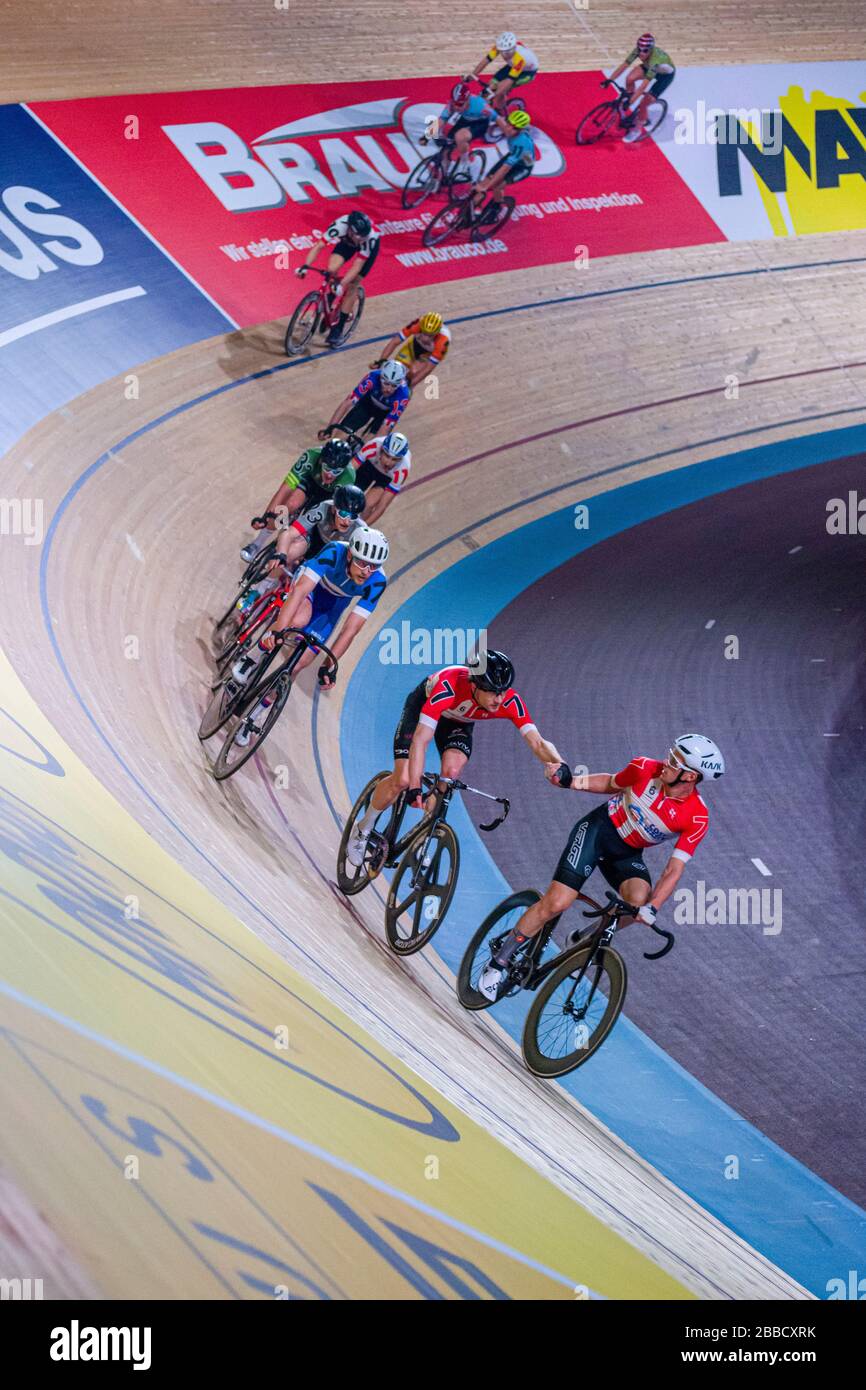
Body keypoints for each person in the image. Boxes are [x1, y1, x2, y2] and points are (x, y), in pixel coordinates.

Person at [477, 734, 724, 1000]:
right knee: (557, 903)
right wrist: (571, 781)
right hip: (596, 833)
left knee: (639, 901)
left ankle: (581, 939)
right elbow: (609, 782)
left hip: (626, 854)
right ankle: (496, 964)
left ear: (690, 777)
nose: (666, 762)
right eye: (670, 755)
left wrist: (653, 908)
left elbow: (674, 869)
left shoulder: (697, 817)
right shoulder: (644, 768)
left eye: (675, 762)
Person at [345, 650, 566, 867]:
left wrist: (560, 763)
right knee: (402, 779)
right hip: (423, 709)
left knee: (451, 773)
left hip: (458, 721)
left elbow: (538, 742)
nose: (499, 699)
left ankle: (425, 834)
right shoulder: (448, 687)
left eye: (503, 691)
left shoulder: (509, 701)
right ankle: (363, 826)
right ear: (474, 685)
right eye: (492, 691)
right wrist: (414, 786)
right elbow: (421, 741)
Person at [230, 527, 389, 744]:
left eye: (374, 566)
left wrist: (329, 665)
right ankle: (252, 657)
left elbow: (351, 629)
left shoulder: (377, 582)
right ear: (350, 554)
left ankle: (253, 718)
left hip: (331, 608)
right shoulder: (334, 551)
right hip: (310, 588)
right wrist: (278, 631)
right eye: (362, 563)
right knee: (297, 621)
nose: (366, 571)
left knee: (298, 665)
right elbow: (300, 592)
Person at [238, 483, 368, 611]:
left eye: (353, 516)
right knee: (289, 554)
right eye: (343, 514)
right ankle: (259, 590)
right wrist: (281, 554)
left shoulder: (360, 531)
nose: (347, 521)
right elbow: (289, 533)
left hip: (331, 554)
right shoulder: (323, 508)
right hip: (312, 539)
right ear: (334, 508)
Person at [240, 438, 356, 563]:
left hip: (328, 496)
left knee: (313, 524)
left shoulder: (348, 477)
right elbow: (285, 489)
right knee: (289, 505)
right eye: (327, 468)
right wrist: (266, 516)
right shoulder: (311, 456)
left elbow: (335, 513)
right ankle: (257, 544)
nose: (330, 475)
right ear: (321, 460)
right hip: (310, 482)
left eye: (336, 472)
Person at [296, 209, 380, 346]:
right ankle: (330, 296)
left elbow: (357, 266)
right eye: (358, 235)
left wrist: (342, 284)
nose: (360, 239)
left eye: (361, 236)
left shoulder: (369, 238)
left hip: (368, 252)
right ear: (350, 229)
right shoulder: (340, 225)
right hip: (347, 243)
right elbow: (319, 246)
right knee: (331, 269)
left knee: (352, 285)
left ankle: (338, 328)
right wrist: (305, 266)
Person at [604, 33, 675, 143]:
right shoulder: (639, 50)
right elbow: (624, 65)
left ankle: (636, 130)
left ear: (650, 50)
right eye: (639, 49)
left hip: (664, 76)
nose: (641, 53)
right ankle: (629, 99)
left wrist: (631, 101)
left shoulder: (655, 60)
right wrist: (610, 79)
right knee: (629, 78)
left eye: (645, 51)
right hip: (649, 67)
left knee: (644, 103)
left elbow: (643, 86)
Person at [319, 359, 410, 442]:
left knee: (367, 446)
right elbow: (347, 403)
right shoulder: (372, 378)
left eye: (394, 386)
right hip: (368, 404)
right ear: (381, 378)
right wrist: (330, 428)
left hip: (384, 415)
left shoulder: (403, 395)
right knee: (337, 440)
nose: (389, 389)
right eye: (386, 383)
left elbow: (386, 427)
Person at [471, 109, 536, 213]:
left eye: (514, 128)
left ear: (520, 130)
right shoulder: (508, 128)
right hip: (513, 155)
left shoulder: (521, 143)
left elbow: (505, 169)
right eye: (509, 124)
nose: (509, 129)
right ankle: (471, 209)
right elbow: (496, 117)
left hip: (523, 166)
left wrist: (487, 187)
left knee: (497, 186)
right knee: (486, 181)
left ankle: (496, 208)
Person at [421, 82, 496, 169]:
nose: (456, 107)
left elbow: (497, 118)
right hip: (465, 119)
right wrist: (426, 136)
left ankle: (465, 163)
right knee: (447, 145)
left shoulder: (479, 105)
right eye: (454, 103)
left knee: (460, 138)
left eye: (460, 104)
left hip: (480, 123)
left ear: (467, 100)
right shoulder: (452, 104)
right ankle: (445, 172)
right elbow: (441, 120)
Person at [373, 313, 451, 390]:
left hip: (428, 354)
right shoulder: (417, 325)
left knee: (412, 373)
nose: (425, 339)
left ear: (437, 333)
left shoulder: (442, 342)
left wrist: (409, 386)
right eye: (424, 333)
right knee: (396, 370)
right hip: (414, 346)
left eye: (430, 335)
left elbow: (428, 369)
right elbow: (395, 342)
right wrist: (381, 360)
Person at [467, 31, 539, 113]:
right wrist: (473, 74)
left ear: (513, 49)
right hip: (513, 65)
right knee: (491, 84)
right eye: (501, 52)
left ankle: (501, 112)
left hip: (526, 73)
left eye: (507, 52)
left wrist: (496, 93)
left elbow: (510, 80)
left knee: (500, 89)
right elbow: (486, 60)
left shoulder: (520, 59)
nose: (504, 55)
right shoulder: (499, 47)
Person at [352, 432, 411, 524]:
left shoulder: (402, 469)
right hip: (369, 467)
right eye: (387, 456)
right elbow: (350, 470)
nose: (389, 462)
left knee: (368, 504)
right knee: (351, 493)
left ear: (400, 459)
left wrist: (364, 527)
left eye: (394, 459)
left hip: (385, 478)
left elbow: (382, 506)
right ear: (381, 450)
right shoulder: (373, 446)